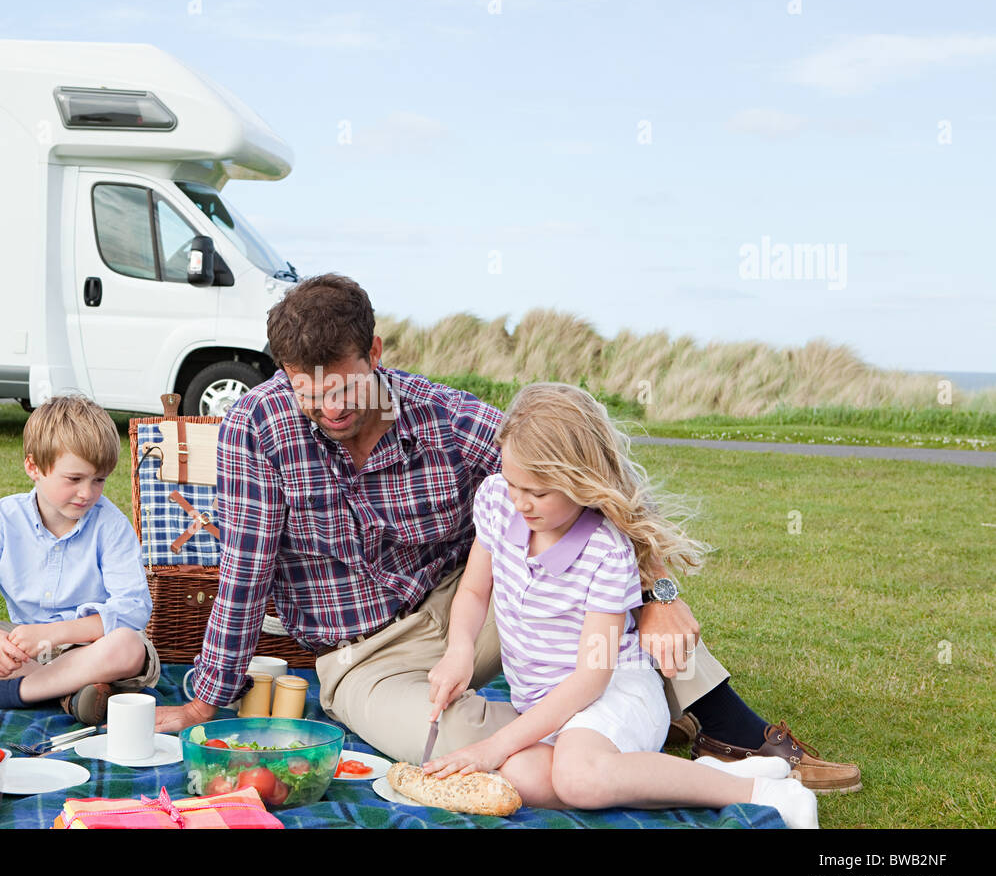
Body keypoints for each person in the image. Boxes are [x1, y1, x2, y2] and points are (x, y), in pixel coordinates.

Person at [154, 274, 859, 796]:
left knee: (628, 616)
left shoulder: (451, 420)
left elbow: (582, 478)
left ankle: (736, 733)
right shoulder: (255, 429)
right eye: (307, 393)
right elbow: (243, 574)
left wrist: (660, 593)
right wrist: (202, 700)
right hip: (363, 656)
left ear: (373, 352)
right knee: (462, 748)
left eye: (341, 387)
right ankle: (613, 743)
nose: (328, 408)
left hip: (476, 600)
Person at [421, 383, 817, 825]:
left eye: (537, 492)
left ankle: (763, 790)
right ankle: (690, 775)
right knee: (522, 776)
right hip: (544, 706)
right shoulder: (497, 501)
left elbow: (591, 679)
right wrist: (459, 650)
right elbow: (475, 591)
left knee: (575, 777)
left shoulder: (604, 550)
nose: (520, 502)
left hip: (614, 693)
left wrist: (495, 744)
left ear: (580, 480)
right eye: (514, 483)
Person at [0, 393, 161, 724]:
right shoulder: (5, 515)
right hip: (24, 647)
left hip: (85, 648)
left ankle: (9, 693)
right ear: (34, 467)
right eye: (74, 479)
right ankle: (68, 693)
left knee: (129, 648)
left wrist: (53, 635)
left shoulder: (112, 525)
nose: (87, 493)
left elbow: (133, 608)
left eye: (99, 480)